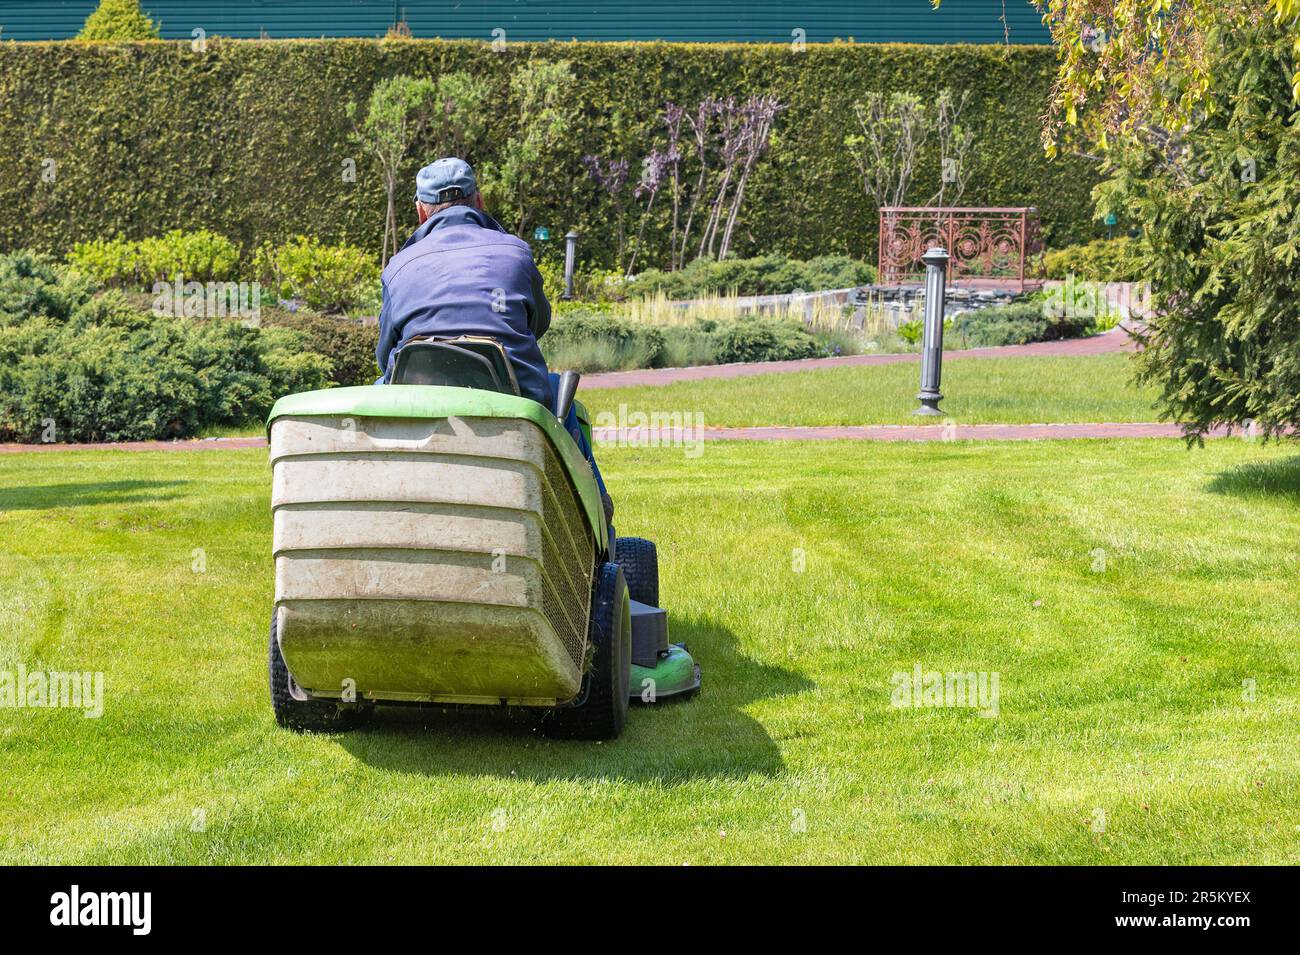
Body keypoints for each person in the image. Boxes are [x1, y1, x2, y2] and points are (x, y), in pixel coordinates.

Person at [375, 157, 611, 522]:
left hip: (417, 399)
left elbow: (384, 352)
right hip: (514, 398)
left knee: (379, 388)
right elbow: (538, 323)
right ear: (479, 201)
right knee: (556, 391)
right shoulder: (515, 252)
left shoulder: (398, 267)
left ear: (421, 212)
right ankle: (594, 504)